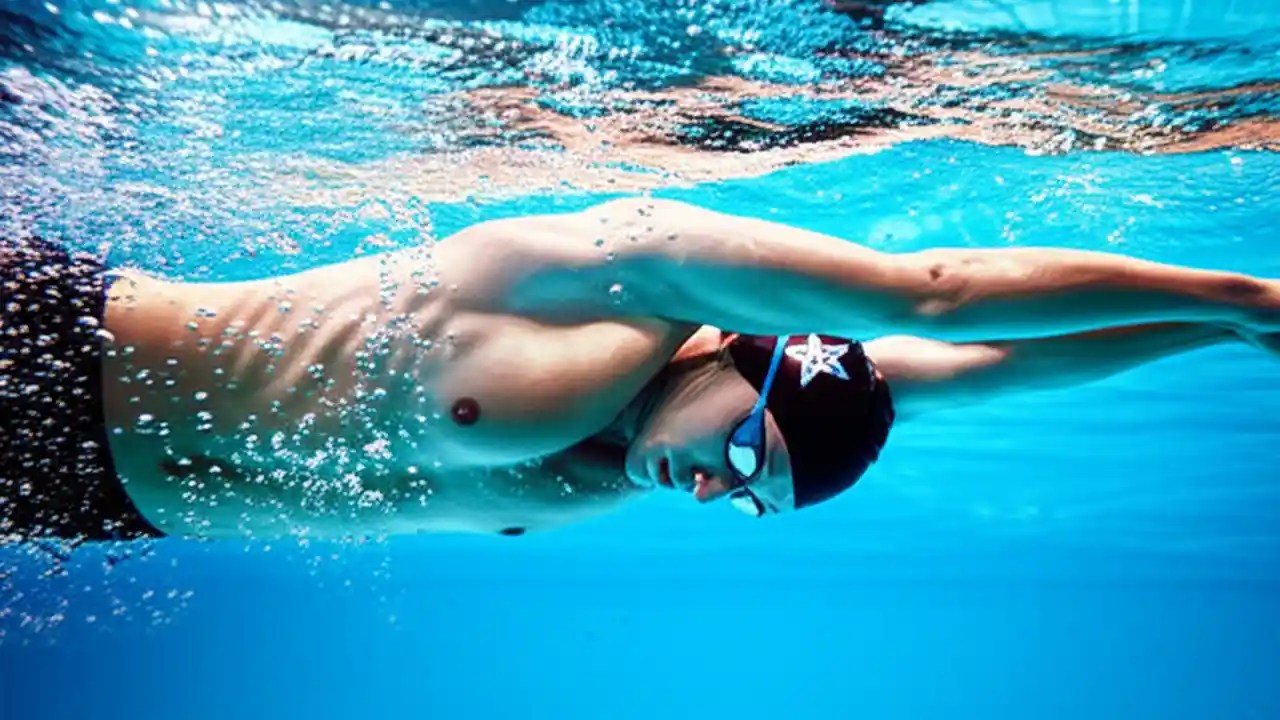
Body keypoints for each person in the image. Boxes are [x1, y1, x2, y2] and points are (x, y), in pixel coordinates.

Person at [2, 197, 1277, 542]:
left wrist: (1215, 340)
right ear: (751, 353)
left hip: (99, 509)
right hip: (59, 360)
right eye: (741, 462)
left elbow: (975, 367)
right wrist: (1245, 293)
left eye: (745, 505)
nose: (711, 491)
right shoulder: (628, 285)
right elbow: (931, 296)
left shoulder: (706, 420)